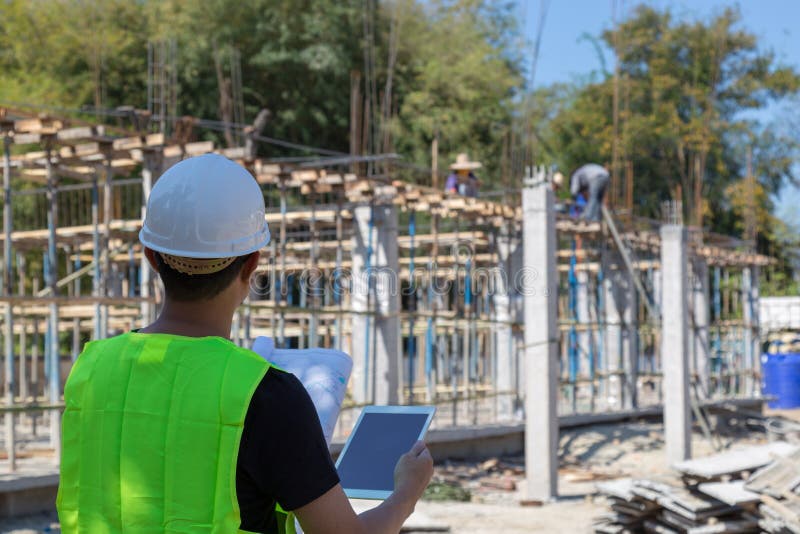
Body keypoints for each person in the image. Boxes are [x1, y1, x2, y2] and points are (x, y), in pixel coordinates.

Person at [56, 154, 433, 534]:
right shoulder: (267, 395)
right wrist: (406, 493)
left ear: (151, 257)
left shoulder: (90, 371)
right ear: (253, 264)